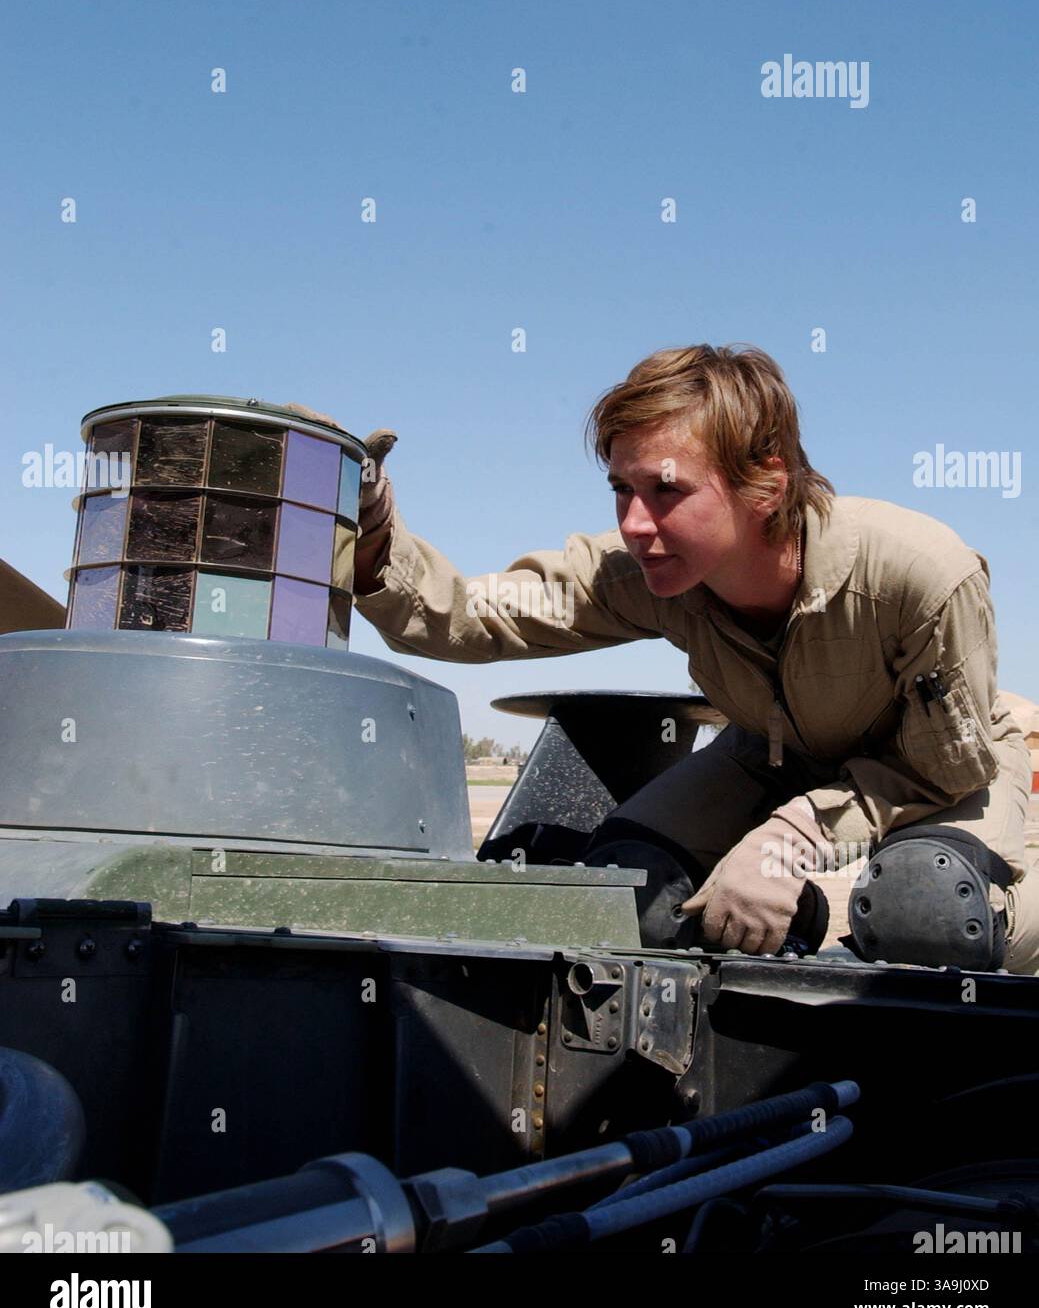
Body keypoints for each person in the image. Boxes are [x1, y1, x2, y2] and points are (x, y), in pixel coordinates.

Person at [289, 344, 1038, 974]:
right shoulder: (644, 575)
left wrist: (788, 840)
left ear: (766, 482)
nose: (635, 523)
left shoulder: (916, 575)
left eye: (666, 491)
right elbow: (467, 617)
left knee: (928, 908)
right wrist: (374, 532)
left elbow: (945, 767)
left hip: (935, 772)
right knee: (627, 896)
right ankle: (783, 922)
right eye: (621, 489)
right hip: (773, 761)